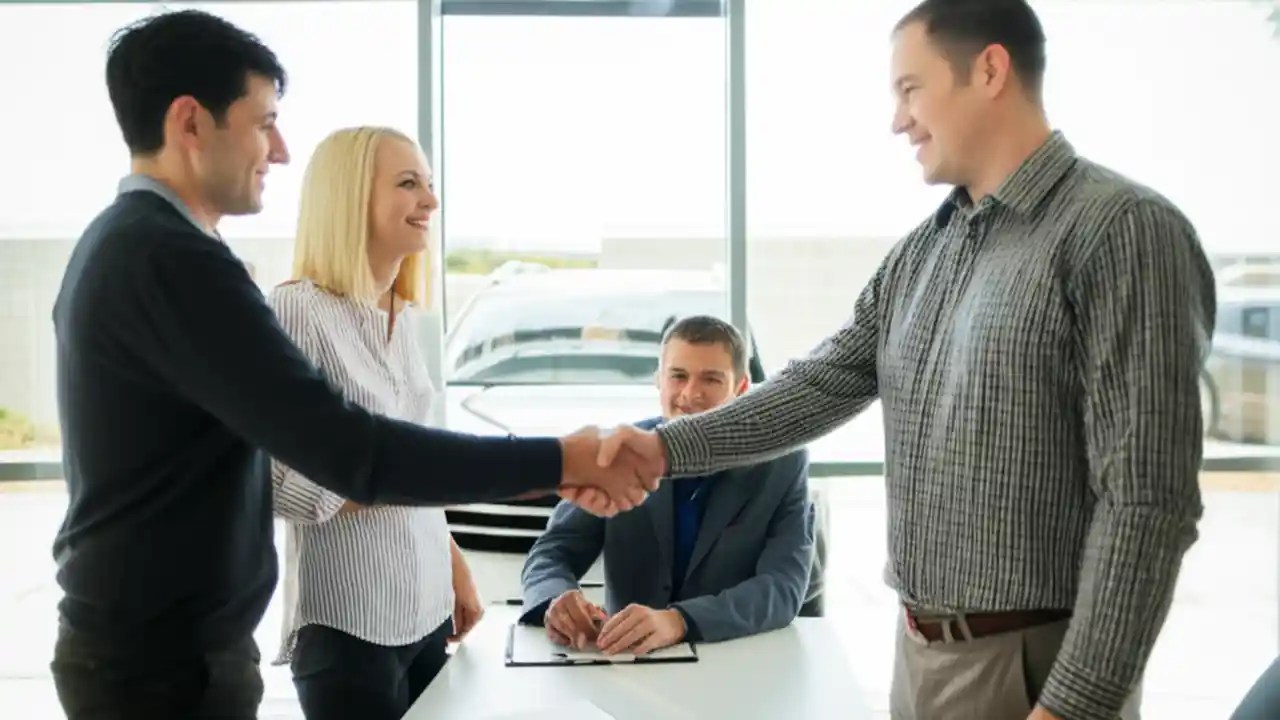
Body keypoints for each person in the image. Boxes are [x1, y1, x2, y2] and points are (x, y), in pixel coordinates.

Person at [596, 1, 1215, 719]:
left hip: (1035, 669)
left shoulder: (1122, 232)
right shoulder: (923, 253)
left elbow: (1147, 501)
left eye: (910, 89)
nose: (898, 120)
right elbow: (816, 387)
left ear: (988, 70)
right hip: (918, 658)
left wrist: (1074, 706)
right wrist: (656, 449)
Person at [49, 11, 654, 720]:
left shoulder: (129, 246)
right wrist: (566, 458)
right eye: (262, 121)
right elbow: (353, 454)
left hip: (167, 649)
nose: (277, 150)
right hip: (162, 665)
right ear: (190, 122)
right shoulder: (173, 261)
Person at [264, 126, 480, 719]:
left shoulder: (401, 317)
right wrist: (391, 475)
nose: (430, 202)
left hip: (428, 612)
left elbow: (414, 465)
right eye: (409, 184)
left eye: (429, 185)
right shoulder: (296, 310)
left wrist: (453, 564)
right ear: (348, 198)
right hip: (349, 628)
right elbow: (280, 483)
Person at [520, 316, 817, 655]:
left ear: (742, 389)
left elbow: (783, 587)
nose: (690, 394)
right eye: (678, 376)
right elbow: (552, 551)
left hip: (733, 658)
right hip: (628, 664)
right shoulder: (620, 452)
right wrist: (555, 599)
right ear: (658, 381)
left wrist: (681, 620)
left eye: (711, 379)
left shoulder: (783, 462)